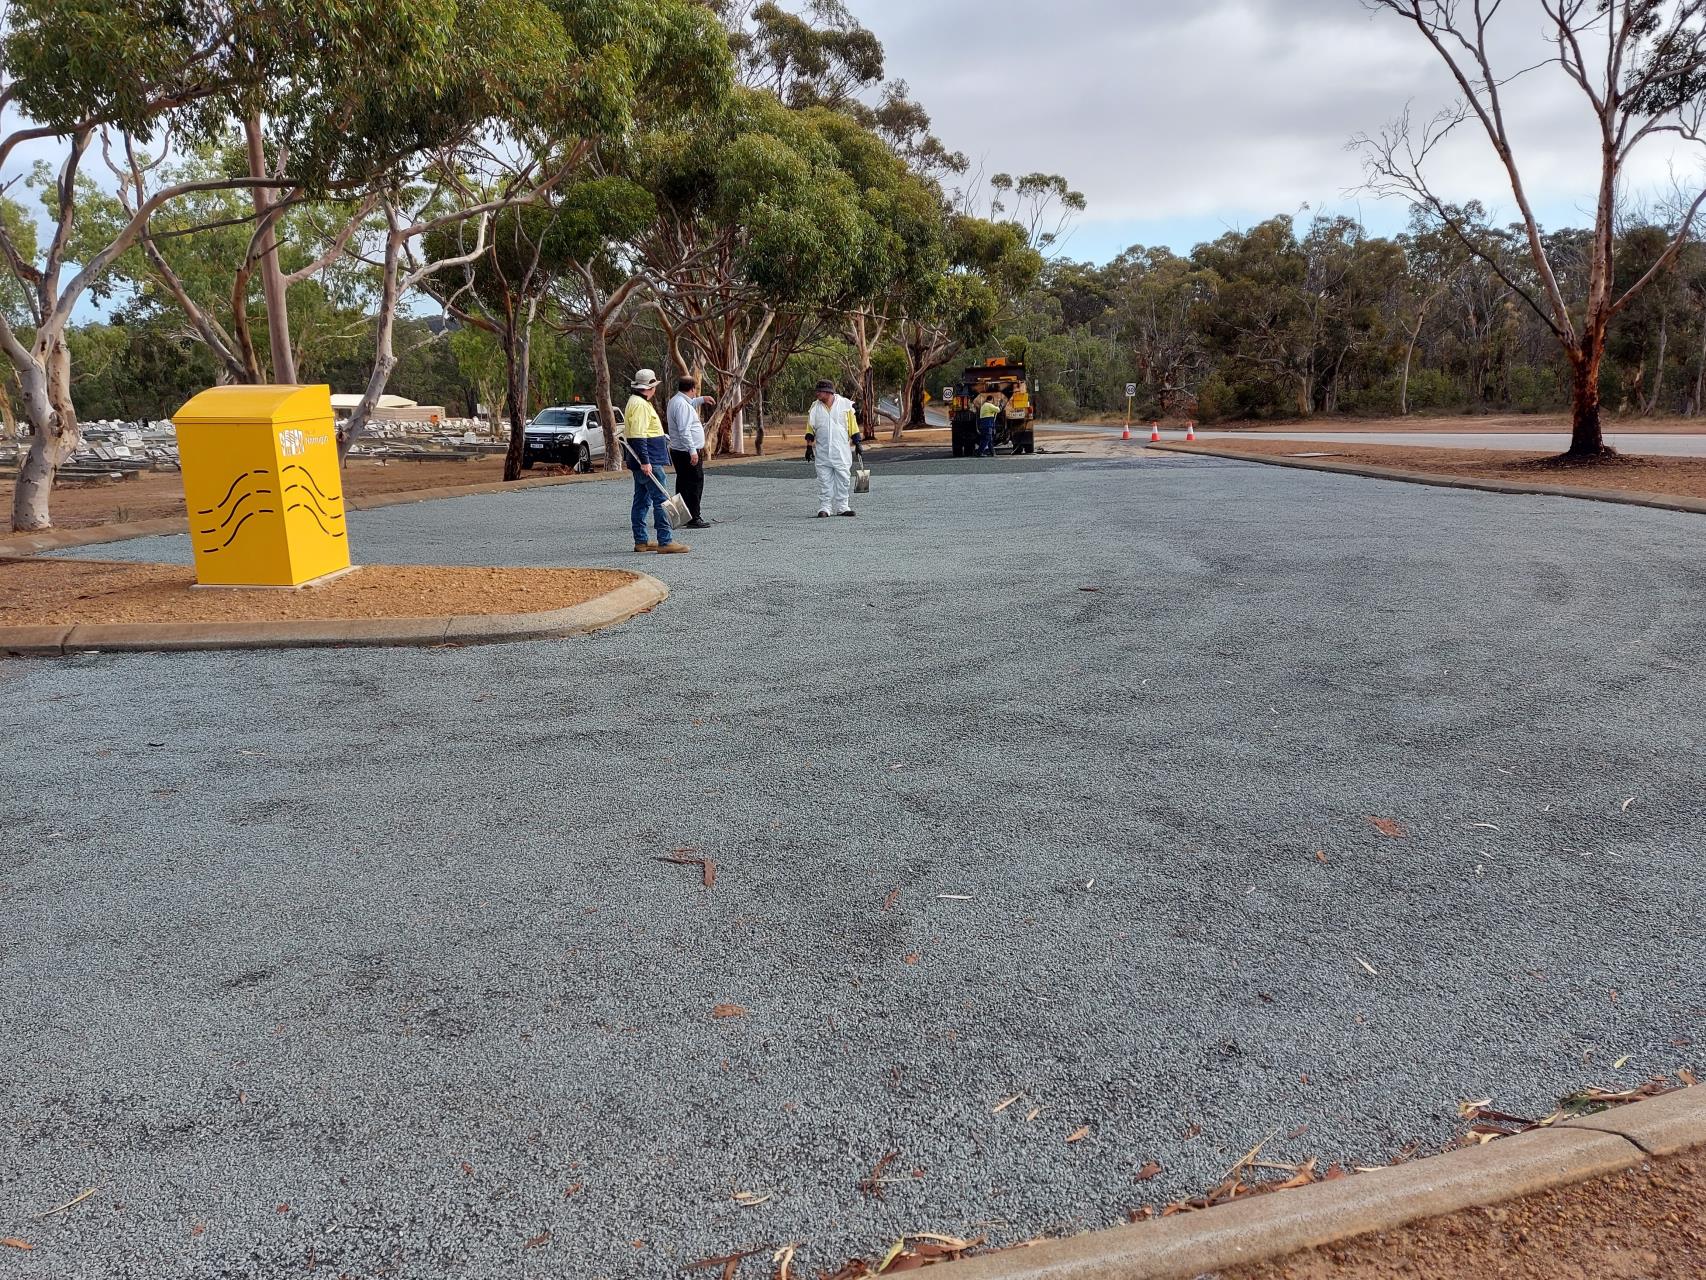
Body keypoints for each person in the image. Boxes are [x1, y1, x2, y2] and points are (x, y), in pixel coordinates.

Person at [621, 369, 688, 554]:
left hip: (643, 461)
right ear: (650, 388)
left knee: (641, 500)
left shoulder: (635, 402)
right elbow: (639, 436)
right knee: (661, 500)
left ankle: (641, 540)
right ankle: (665, 541)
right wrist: (645, 461)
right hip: (649, 461)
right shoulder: (640, 405)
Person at [666, 375, 716, 529]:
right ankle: (694, 516)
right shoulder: (682, 406)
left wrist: (702, 399)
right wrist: (693, 451)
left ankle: (682, 515)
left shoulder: (677, 401)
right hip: (686, 451)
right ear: (692, 389)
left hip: (679, 450)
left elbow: (690, 402)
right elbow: (684, 430)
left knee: (683, 482)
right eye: (696, 390)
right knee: (695, 482)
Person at [807, 379, 859, 517]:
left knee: (843, 479)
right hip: (822, 451)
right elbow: (810, 428)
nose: (817, 393)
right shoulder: (815, 407)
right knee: (824, 480)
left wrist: (858, 443)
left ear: (828, 392)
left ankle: (843, 507)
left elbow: (853, 426)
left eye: (820, 391)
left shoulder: (845, 405)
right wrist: (808, 447)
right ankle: (825, 508)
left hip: (840, 451)